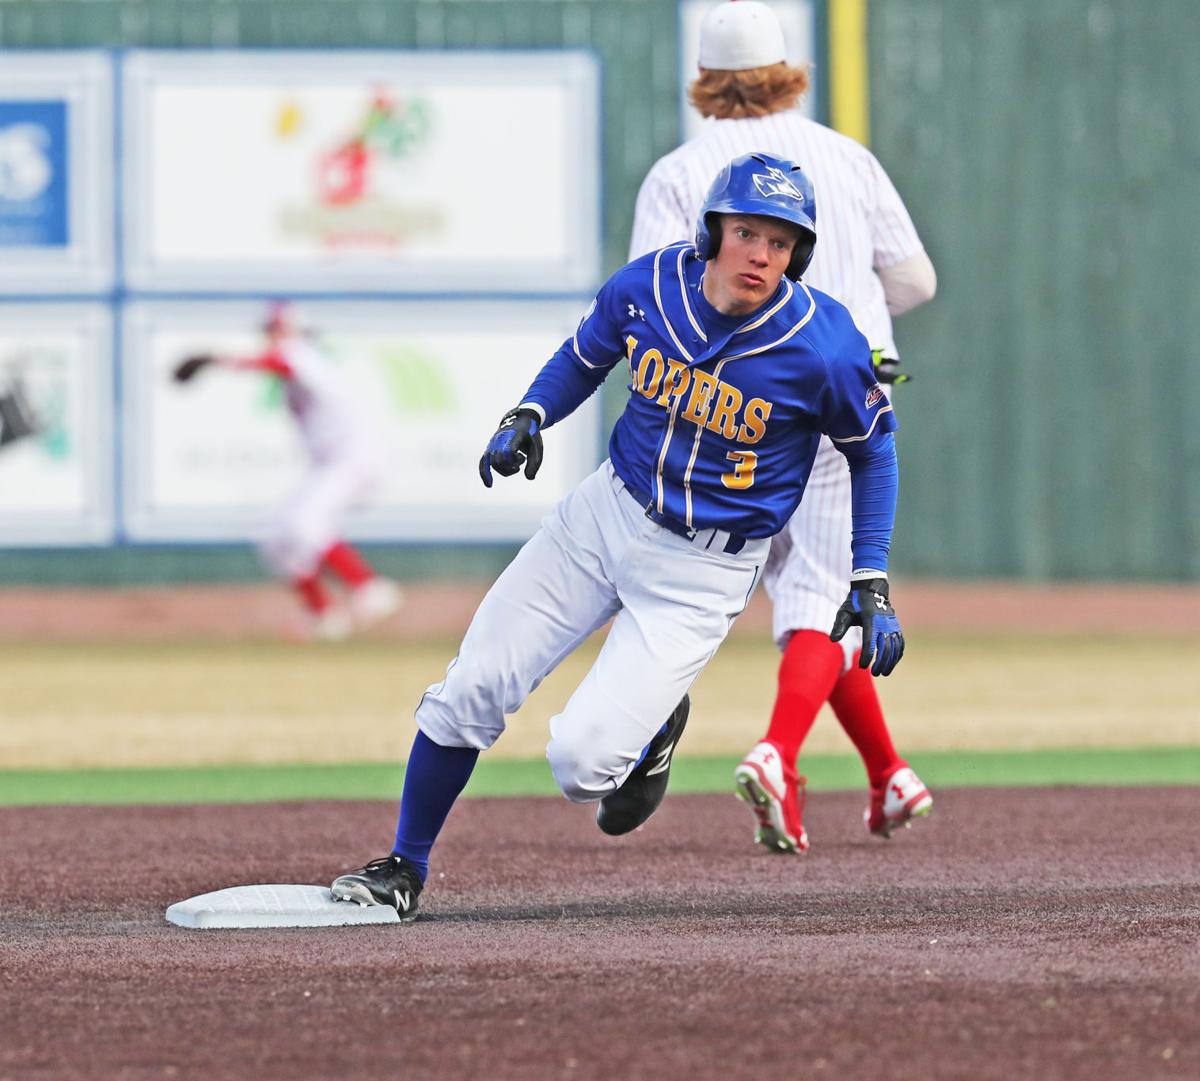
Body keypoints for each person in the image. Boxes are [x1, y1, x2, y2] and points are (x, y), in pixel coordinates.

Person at [328, 152, 905, 922]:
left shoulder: (824, 343)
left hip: (704, 570)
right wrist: (528, 413)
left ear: (798, 252)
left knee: (580, 767)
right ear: (712, 233)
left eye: (780, 240)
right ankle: (405, 863)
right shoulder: (650, 286)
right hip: (604, 516)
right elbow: (583, 357)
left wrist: (870, 577)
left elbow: (874, 450)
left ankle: (656, 728)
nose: (761, 253)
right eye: (745, 232)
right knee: (471, 687)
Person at [629, 0, 938, 854]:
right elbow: (917, 280)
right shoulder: (846, 158)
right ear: (788, 70)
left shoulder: (681, 171)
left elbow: (656, 300)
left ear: (705, 80)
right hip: (848, 391)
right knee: (819, 598)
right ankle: (783, 755)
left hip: (735, 412)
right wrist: (859, 313)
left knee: (795, 597)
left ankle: (866, 775)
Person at [172, 303, 402, 641]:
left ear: (295, 330)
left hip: (352, 460)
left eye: (277, 328)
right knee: (276, 540)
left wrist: (216, 360)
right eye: (269, 329)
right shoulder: (301, 358)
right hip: (330, 464)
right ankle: (323, 615)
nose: (271, 334)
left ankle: (369, 588)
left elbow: (276, 361)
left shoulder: (302, 354)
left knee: (304, 525)